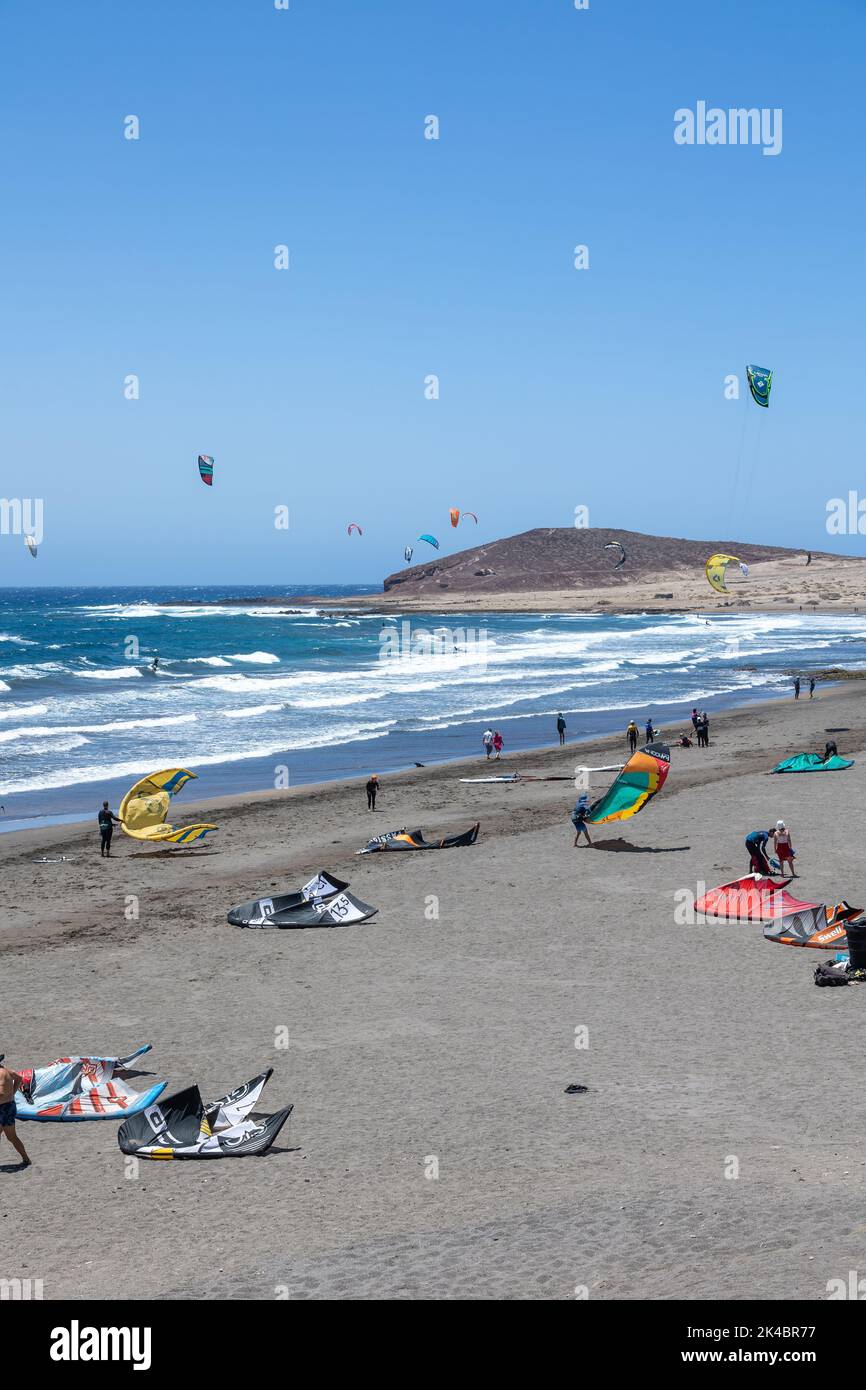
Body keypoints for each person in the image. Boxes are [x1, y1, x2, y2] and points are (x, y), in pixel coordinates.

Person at [0, 1058, 32, 1167]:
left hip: (4, 1109)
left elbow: (1, 1093)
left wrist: (11, 1093)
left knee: (11, 1137)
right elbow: (19, 1078)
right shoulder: (7, 1071)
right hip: (7, 1106)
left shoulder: (1, 1074)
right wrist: (13, 1092)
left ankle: (26, 1159)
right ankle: (26, 1159)